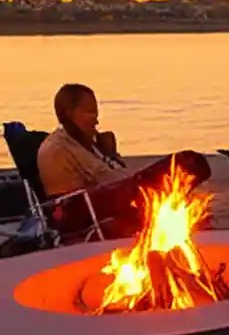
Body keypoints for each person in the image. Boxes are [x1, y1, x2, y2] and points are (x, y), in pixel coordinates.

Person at [36, 83, 211, 239]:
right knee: (184, 164)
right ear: (67, 114)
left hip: (106, 200)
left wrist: (109, 153)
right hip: (86, 211)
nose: (96, 120)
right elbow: (99, 186)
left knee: (177, 181)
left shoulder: (81, 142)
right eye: (90, 112)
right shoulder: (59, 148)